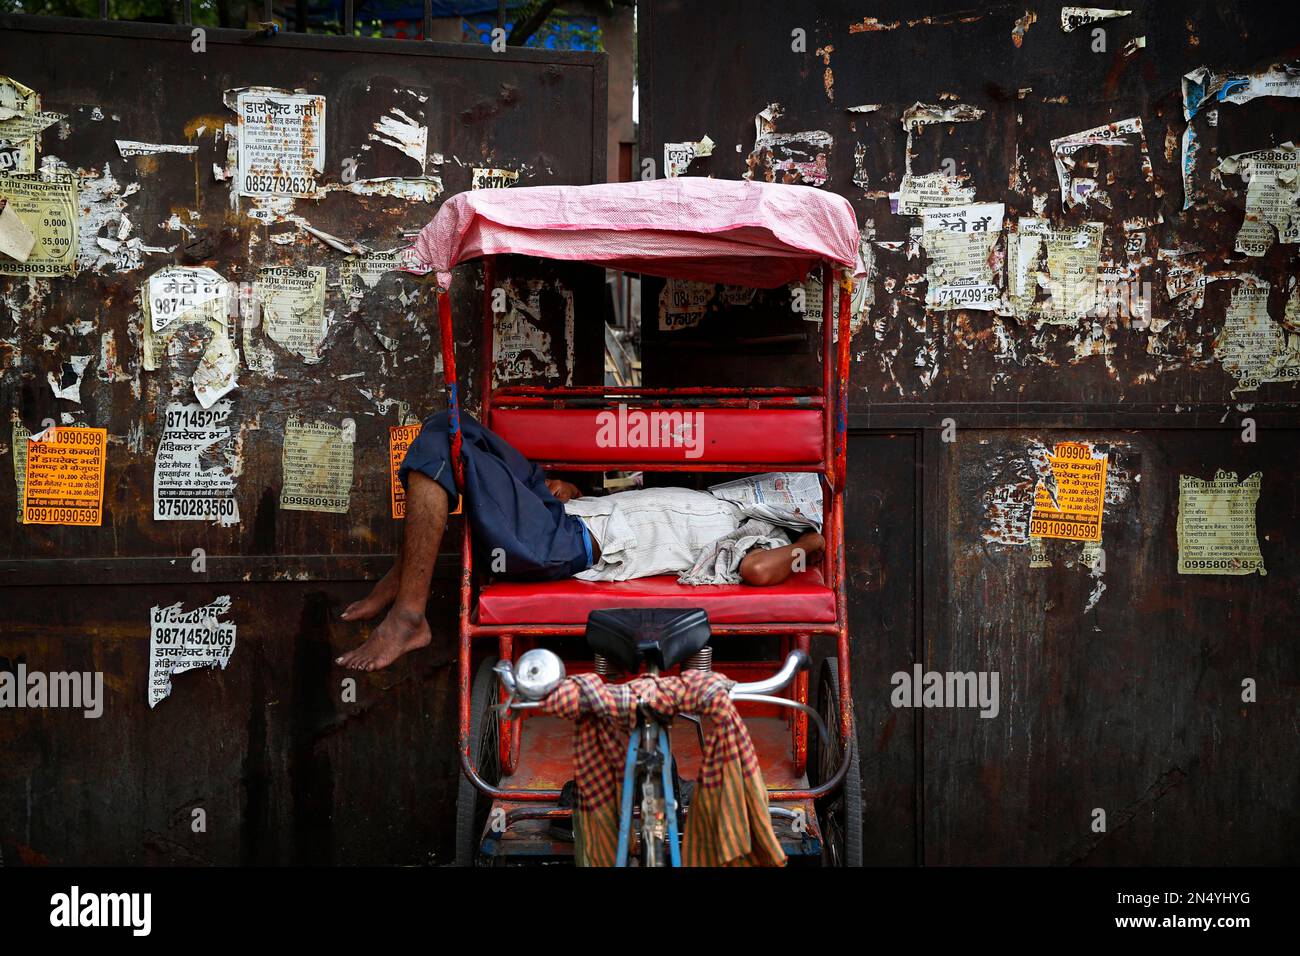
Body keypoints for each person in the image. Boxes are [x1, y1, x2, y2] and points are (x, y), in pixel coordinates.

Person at [336, 412, 824, 671]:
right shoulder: (726, 502)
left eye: (785, 491)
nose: (773, 485)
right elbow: (646, 506)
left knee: (444, 446)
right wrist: (577, 492)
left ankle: (408, 613)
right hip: (561, 514)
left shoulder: (761, 534)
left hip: (567, 545)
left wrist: (814, 542)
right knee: (448, 424)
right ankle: (403, 578)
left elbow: (759, 571)